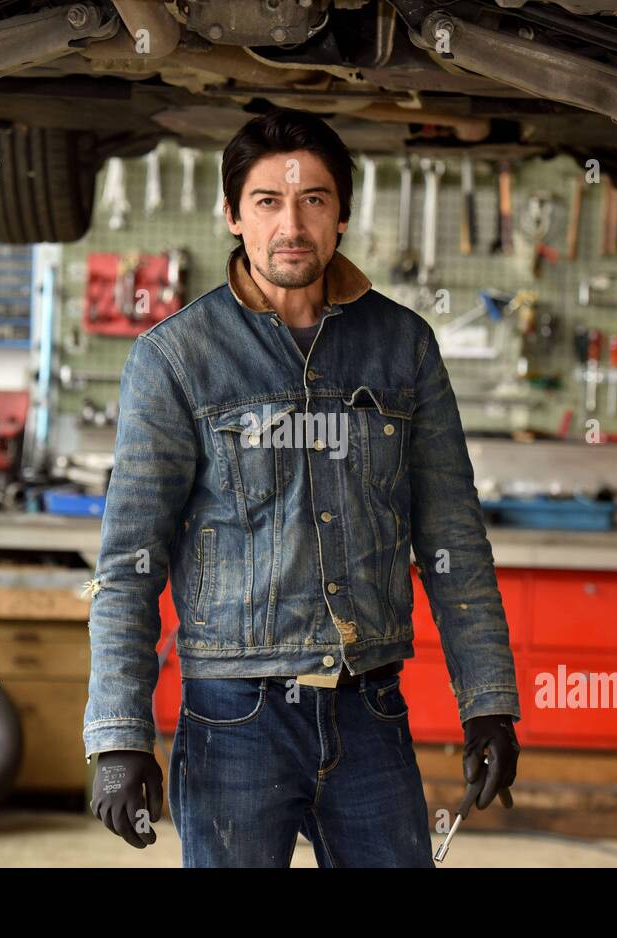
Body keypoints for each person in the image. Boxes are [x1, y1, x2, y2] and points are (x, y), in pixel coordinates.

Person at [84, 108, 519, 867]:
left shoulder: (404, 345)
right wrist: (120, 735)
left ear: (342, 214)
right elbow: (129, 562)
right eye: (267, 201)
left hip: (368, 708)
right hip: (233, 719)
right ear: (233, 214)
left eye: (313, 199)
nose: (292, 225)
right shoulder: (176, 358)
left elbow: (454, 538)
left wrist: (488, 702)